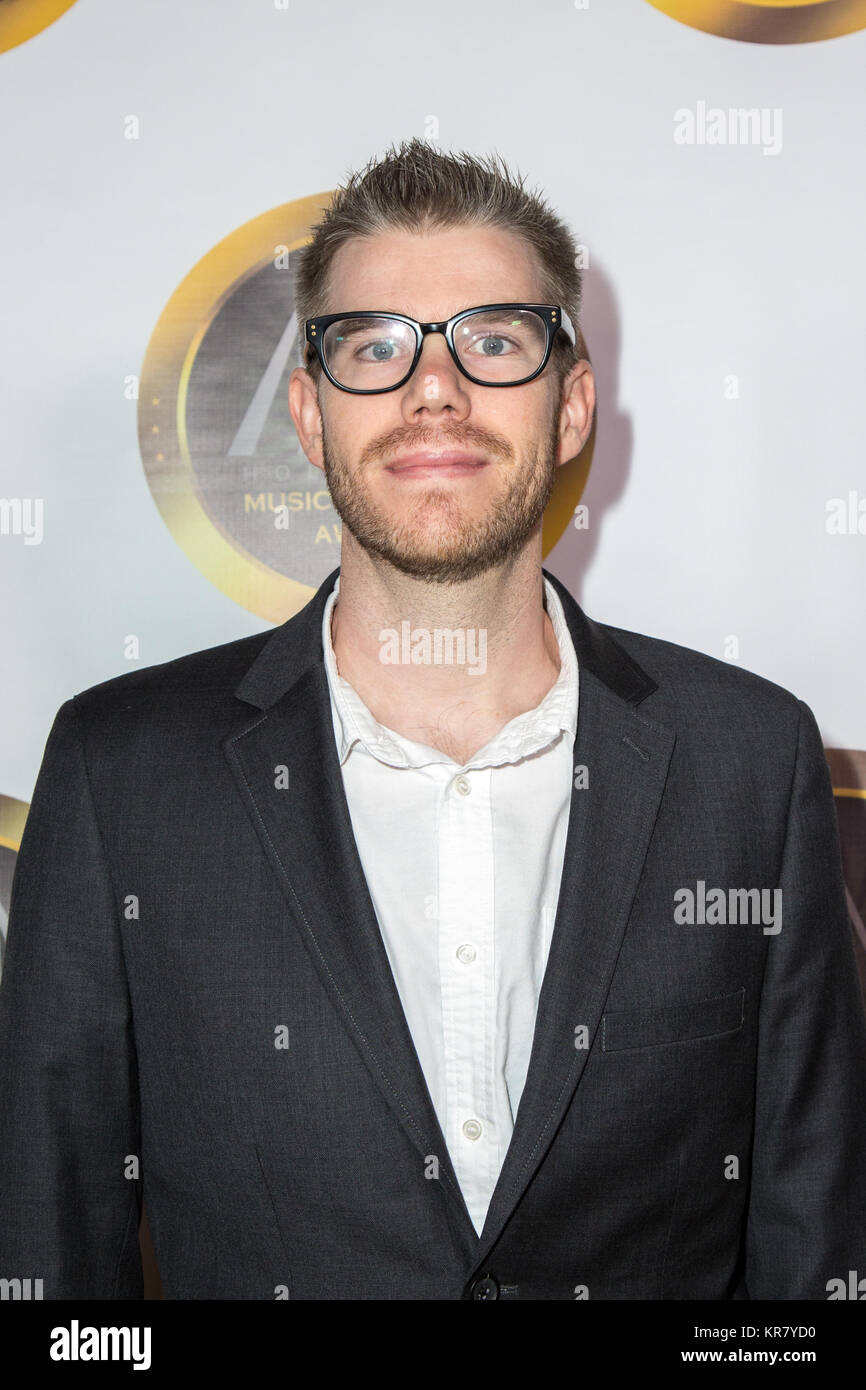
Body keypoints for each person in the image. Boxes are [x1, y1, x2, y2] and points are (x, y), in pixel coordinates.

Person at [1, 138, 864, 1301]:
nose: (433, 390)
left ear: (571, 407)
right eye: (376, 346)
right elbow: (50, 1261)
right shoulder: (121, 774)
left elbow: (812, 1254)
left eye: (492, 341)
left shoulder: (747, 761)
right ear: (309, 416)